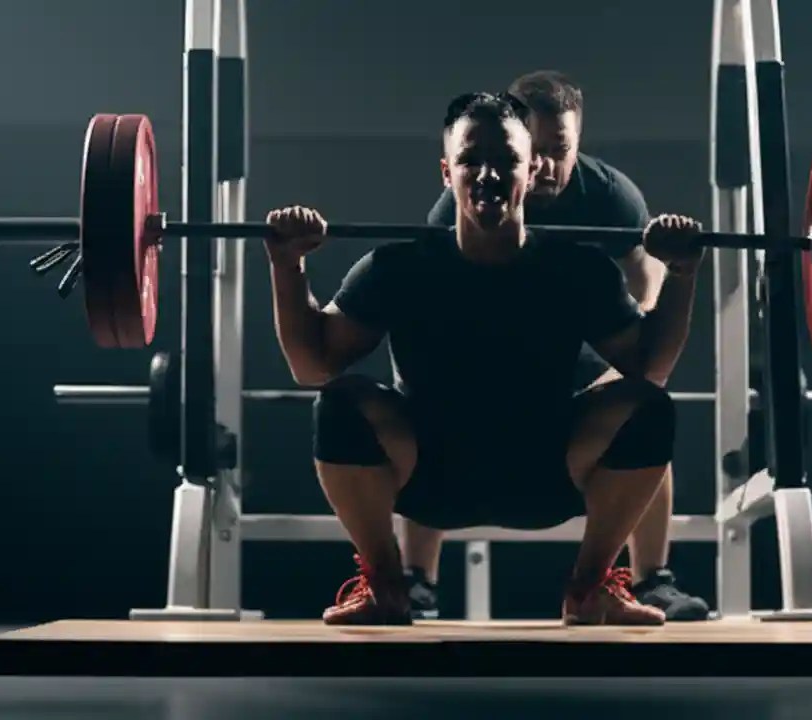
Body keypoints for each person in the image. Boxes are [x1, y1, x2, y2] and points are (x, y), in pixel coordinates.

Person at [263, 91, 705, 626]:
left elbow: (651, 368)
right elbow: (312, 366)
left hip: (546, 475)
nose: (488, 176)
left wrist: (681, 274)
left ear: (531, 170)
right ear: (446, 172)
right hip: (430, 478)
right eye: (471, 160)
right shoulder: (397, 268)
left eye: (506, 161)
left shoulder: (577, 271)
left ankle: (589, 588)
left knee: (647, 406)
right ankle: (387, 585)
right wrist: (287, 266)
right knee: (340, 403)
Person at [409, 70, 711, 621]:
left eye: (560, 150)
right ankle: (415, 581)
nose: (546, 166)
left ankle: (651, 580)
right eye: (536, 150)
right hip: (491, 351)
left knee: (644, 406)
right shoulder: (461, 204)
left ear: (578, 143)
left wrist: (635, 350)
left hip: (584, 352)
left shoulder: (610, 195)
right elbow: (438, 306)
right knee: (425, 409)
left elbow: (644, 275)